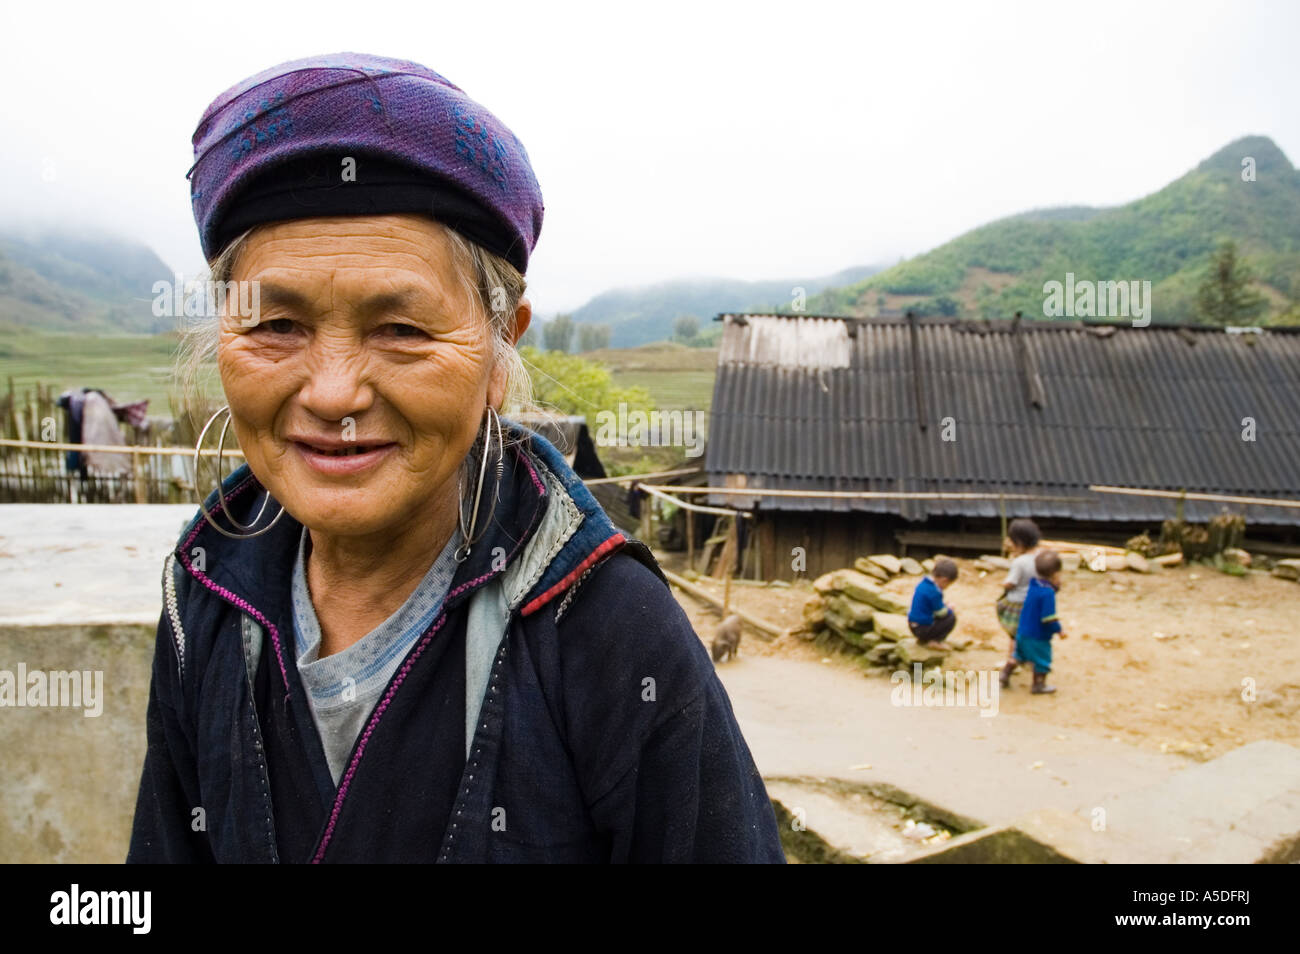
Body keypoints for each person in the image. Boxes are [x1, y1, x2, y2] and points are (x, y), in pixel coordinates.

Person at [127, 53, 785, 864]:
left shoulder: (608, 632)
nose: (333, 393)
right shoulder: (205, 593)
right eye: (276, 326)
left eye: (401, 330)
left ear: (500, 348)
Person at [1001, 550, 1068, 694]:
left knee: (1018, 655)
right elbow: (1048, 618)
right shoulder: (1047, 594)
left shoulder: (1033, 584)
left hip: (1022, 631)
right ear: (1056, 573)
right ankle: (1039, 685)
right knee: (1042, 659)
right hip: (1038, 636)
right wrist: (1059, 630)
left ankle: (1005, 674)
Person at [996, 518, 1042, 661]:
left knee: (1014, 635)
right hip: (1035, 603)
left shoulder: (1019, 562)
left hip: (1017, 603)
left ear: (1019, 543)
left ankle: (1012, 660)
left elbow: (1011, 583)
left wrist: (1003, 585)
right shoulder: (1041, 558)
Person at [907, 557, 958, 645]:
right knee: (951, 618)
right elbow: (941, 613)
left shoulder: (923, 583)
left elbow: (928, 605)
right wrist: (949, 608)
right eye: (948, 584)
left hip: (913, 626)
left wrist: (942, 605)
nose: (946, 587)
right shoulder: (934, 591)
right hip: (923, 629)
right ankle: (935, 641)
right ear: (944, 580)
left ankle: (923, 640)